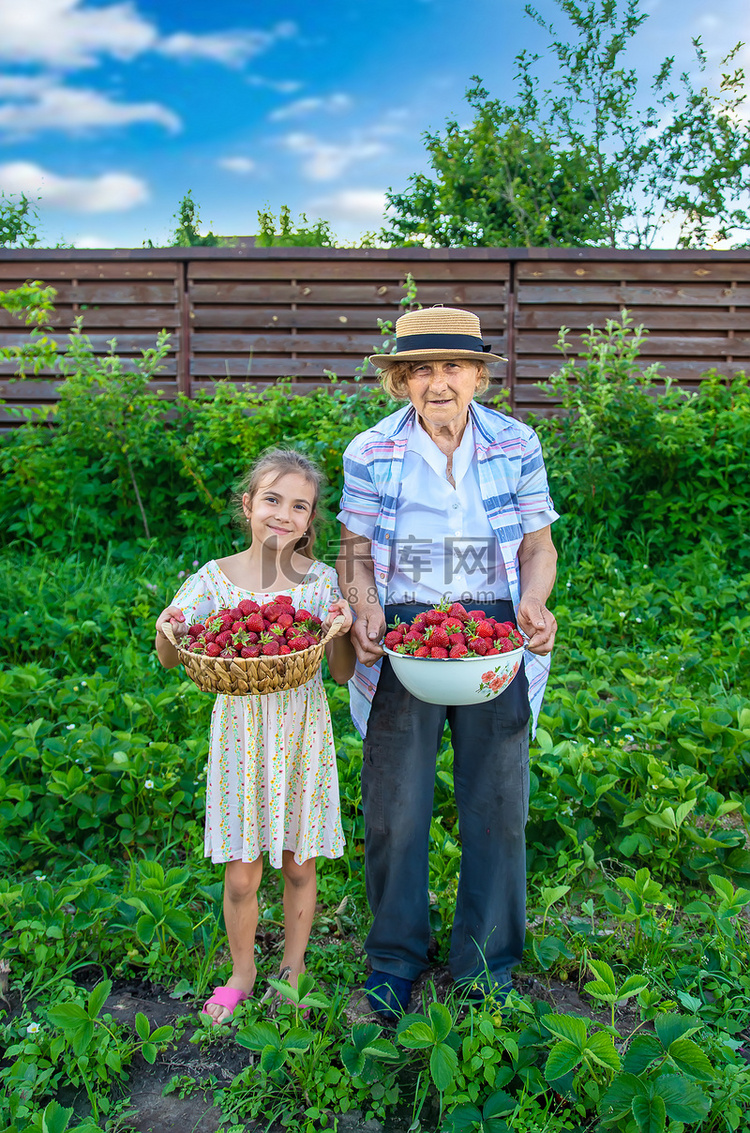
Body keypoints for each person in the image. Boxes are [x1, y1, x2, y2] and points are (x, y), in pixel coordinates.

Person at [336, 306, 558, 1021]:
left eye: (453, 367)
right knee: (396, 807)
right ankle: (396, 958)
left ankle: (486, 961)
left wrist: (534, 602)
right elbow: (355, 554)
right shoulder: (370, 451)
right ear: (402, 379)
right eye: (422, 368)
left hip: (492, 624)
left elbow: (537, 546)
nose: (438, 382)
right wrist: (366, 608)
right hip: (406, 629)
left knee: (497, 805)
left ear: (478, 374)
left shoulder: (516, 441)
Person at [155, 448, 355, 1024]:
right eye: (272, 499)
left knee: (297, 864)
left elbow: (340, 671)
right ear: (248, 505)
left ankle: (292, 968)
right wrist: (166, 625)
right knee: (242, 875)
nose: (283, 514)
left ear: (309, 521)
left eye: (299, 506)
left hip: (300, 733)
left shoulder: (319, 583)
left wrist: (339, 629)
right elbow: (173, 657)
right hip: (241, 736)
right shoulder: (213, 579)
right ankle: (242, 972)